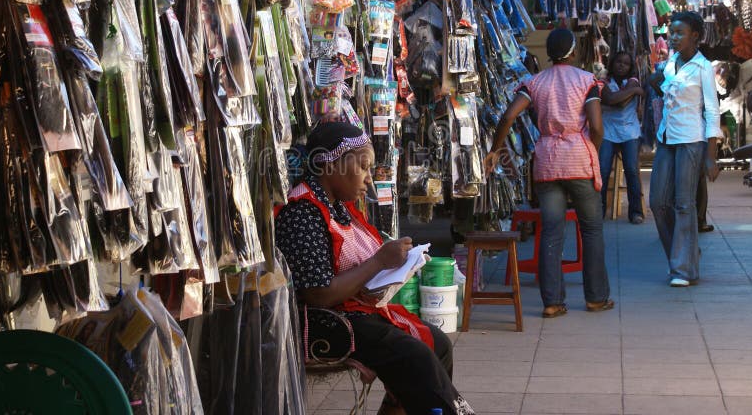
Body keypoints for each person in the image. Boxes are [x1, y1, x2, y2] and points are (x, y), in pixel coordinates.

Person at [275, 121, 474, 415]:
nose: (369, 178)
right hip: (324, 323)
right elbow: (319, 294)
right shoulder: (302, 210)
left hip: (353, 313)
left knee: (438, 344)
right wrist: (380, 261)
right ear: (332, 166)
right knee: (415, 356)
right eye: (363, 167)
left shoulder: (337, 205)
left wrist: (399, 262)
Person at [484, 28, 613, 318]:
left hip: (547, 161)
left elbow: (507, 116)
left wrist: (494, 150)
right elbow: (596, 126)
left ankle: (553, 302)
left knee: (551, 231)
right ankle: (596, 298)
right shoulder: (586, 81)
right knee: (591, 229)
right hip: (579, 159)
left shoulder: (534, 82)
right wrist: (591, 148)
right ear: (574, 52)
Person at [649, 11, 721, 287]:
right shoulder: (670, 63)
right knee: (658, 202)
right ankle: (686, 254)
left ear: (695, 36)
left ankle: (683, 269)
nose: (674, 38)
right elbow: (666, 91)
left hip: (691, 141)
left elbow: (712, 111)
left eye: (680, 33)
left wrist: (711, 157)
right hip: (666, 139)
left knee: (683, 203)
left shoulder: (703, 68)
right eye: (672, 33)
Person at [599, 51, 645, 224]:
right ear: (612, 63)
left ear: (630, 67)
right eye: (618, 62)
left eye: (626, 63)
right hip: (608, 131)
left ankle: (636, 212)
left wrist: (629, 90)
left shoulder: (632, 80)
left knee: (632, 171)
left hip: (629, 132)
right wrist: (634, 91)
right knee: (602, 171)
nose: (621, 66)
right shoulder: (604, 82)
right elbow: (613, 100)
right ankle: (600, 210)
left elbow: (621, 102)